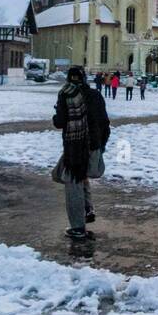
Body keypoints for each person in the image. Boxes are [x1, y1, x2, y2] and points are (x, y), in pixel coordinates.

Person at [52, 66, 110, 240]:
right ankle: (87, 209)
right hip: (92, 145)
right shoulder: (95, 96)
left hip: (74, 148)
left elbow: (59, 122)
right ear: (84, 78)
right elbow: (104, 123)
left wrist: (56, 115)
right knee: (70, 176)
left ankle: (77, 227)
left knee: (72, 183)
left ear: (69, 79)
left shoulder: (65, 94)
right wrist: (100, 145)